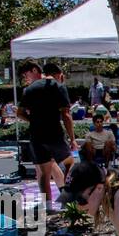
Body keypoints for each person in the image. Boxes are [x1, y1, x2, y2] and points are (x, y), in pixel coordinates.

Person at [17, 60, 75, 212]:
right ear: (56, 75)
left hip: (36, 134)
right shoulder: (58, 87)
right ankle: (66, 200)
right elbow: (66, 114)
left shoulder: (29, 89)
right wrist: (72, 138)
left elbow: (20, 113)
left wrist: (34, 120)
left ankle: (48, 206)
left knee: (44, 172)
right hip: (54, 131)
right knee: (69, 163)